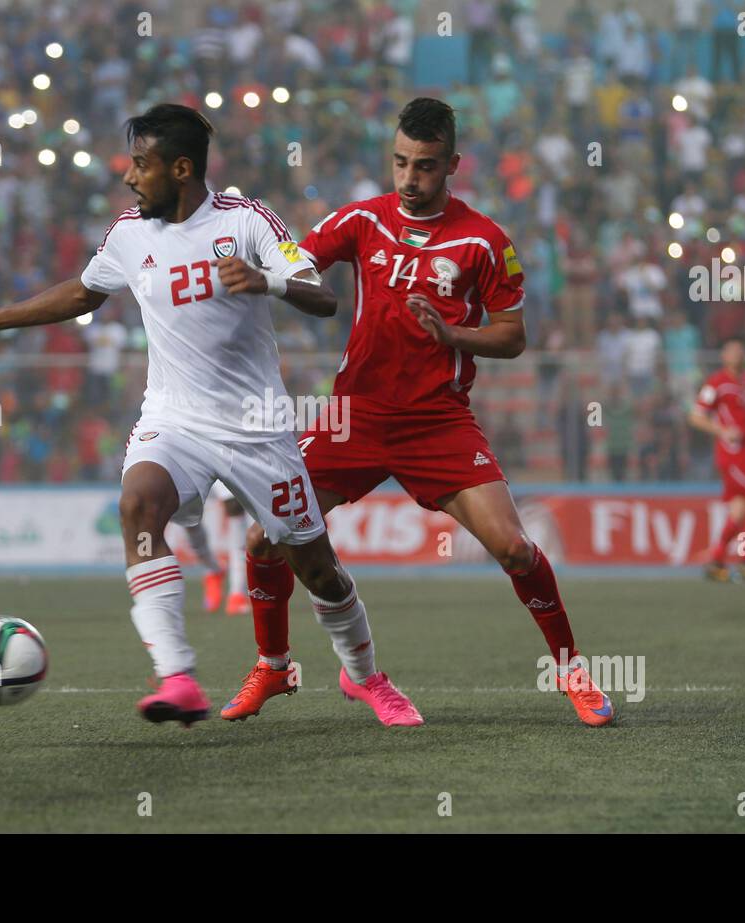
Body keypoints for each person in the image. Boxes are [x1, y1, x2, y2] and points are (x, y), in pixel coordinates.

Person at [0, 104, 422, 727]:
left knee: (316, 567)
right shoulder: (129, 234)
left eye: (142, 165)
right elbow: (82, 292)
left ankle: (365, 677)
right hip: (174, 418)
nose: (130, 178)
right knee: (138, 505)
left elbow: (322, 297)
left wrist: (265, 280)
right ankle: (178, 677)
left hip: (256, 427)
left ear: (181, 168)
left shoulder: (247, 222)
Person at [224, 98, 614, 727]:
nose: (410, 177)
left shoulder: (484, 240)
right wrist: (258, 275)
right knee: (265, 536)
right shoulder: (360, 219)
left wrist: (454, 337)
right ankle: (273, 667)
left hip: (437, 420)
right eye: (401, 162)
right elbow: (298, 268)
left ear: (453, 164)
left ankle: (572, 672)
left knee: (515, 548)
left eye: (426, 166)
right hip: (354, 416)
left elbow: (513, 336)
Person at [689, 337, 745, 581]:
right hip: (732, 454)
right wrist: (722, 431)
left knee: (739, 510)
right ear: (723, 355)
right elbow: (696, 416)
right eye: (732, 350)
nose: (736, 353)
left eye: (740, 349)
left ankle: (716, 561)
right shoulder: (716, 383)